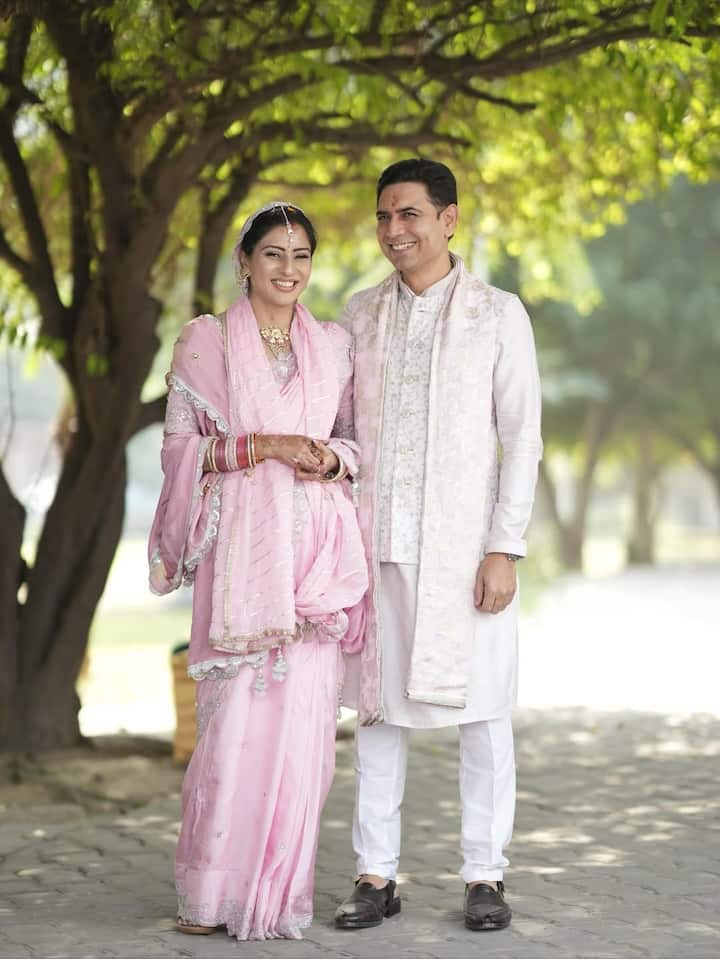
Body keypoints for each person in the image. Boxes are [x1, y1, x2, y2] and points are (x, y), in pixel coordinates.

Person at [147, 201, 368, 941]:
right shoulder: (205, 342)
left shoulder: (333, 347)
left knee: (301, 738)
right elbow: (182, 451)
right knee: (234, 732)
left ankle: (277, 894)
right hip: (243, 561)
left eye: (301, 255)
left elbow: (354, 445)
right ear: (244, 261)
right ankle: (211, 897)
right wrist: (263, 445)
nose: (288, 269)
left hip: (313, 564)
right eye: (272, 254)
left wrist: (329, 458)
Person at [335, 159, 543, 932]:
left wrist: (505, 546)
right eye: (385, 216)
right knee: (379, 713)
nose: (395, 230)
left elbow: (522, 437)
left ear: (449, 219)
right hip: (375, 544)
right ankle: (374, 873)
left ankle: (484, 874)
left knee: (483, 714)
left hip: (466, 553)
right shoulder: (357, 317)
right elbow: (343, 433)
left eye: (410, 215)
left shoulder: (498, 313)